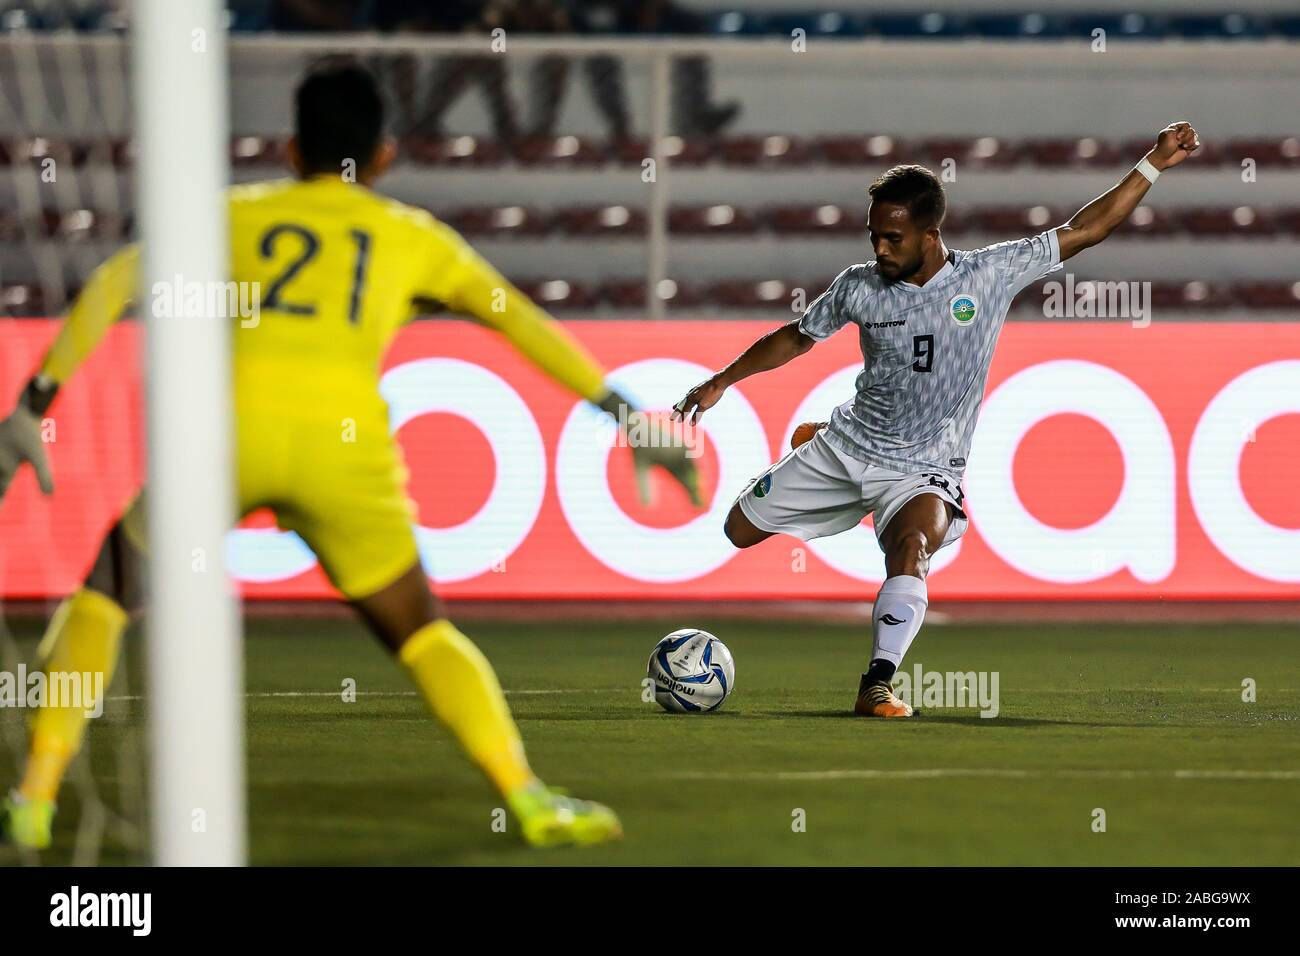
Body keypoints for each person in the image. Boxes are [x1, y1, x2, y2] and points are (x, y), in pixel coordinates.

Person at [0, 59, 699, 852]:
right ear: (385, 157)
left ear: (292, 150)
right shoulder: (412, 236)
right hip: (345, 454)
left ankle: (34, 796)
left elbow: (111, 285)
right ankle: (527, 795)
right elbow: (522, 323)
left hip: (224, 439)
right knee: (422, 630)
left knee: (104, 596)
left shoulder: (226, 216)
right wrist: (628, 418)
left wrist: (34, 404)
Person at [673, 122, 1201, 717]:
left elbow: (1088, 229)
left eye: (893, 238)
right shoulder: (859, 287)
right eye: (874, 236)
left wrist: (1154, 163)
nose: (880, 250)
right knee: (737, 530)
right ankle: (825, 455)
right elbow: (797, 338)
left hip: (923, 467)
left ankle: (877, 681)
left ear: (931, 234)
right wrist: (723, 379)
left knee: (911, 546)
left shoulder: (988, 275)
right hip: (849, 445)